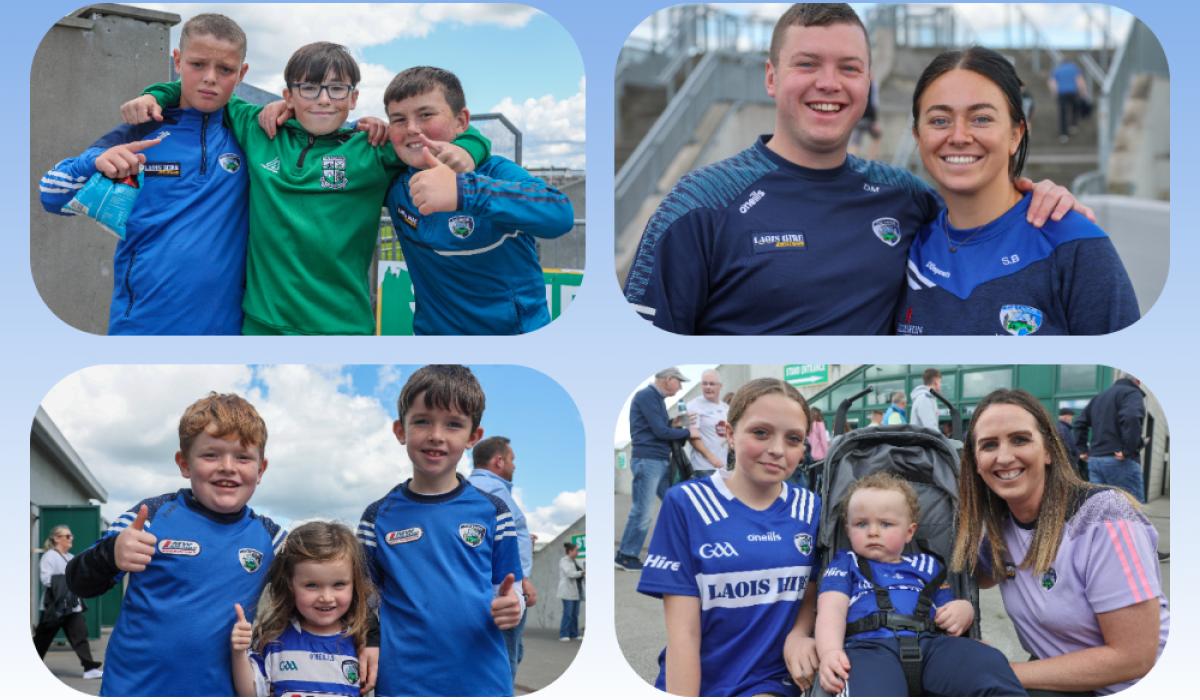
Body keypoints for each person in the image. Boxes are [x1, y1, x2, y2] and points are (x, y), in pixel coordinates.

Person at [622, 3, 1089, 335]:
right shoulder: (700, 203)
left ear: (868, 82)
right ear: (771, 77)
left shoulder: (906, 196)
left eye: (849, 68)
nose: (829, 83)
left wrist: (1039, 196)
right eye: (807, 64)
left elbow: (981, 220)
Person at [123, 44, 490, 335]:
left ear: (353, 98)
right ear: (289, 94)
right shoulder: (258, 128)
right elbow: (208, 90)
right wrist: (155, 95)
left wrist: (465, 152)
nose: (323, 99)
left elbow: (454, 133)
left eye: (336, 89)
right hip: (261, 326)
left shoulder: (374, 147)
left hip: (341, 329)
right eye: (309, 88)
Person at [898, 47, 1139, 335]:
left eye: (981, 118)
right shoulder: (905, 245)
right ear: (918, 136)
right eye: (939, 120)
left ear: (1016, 134)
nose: (959, 136)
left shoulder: (1074, 244)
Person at [37, 14, 251, 334]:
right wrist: (93, 162)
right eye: (197, 64)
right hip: (142, 327)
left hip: (227, 332)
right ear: (177, 61)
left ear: (242, 73)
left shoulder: (251, 135)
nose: (210, 78)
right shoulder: (141, 130)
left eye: (225, 70)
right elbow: (50, 197)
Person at [65, 393, 284, 696]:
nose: (227, 467)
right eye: (211, 455)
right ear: (184, 463)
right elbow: (77, 581)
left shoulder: (271, 537)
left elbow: (326, 581)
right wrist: (111, 554)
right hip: (134, 690)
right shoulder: (150, 517)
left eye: (243, 457)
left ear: (260, 470)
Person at [951, 389, 1168, 694]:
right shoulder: (1002, 529)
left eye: (1020, 439)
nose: (1004, 456)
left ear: (1049, 451)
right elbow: (973, 575)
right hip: (1059, 675)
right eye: (988, 445)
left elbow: (1134, 657)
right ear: (976, 462)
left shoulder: (1105, 518)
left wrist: (1003, 670)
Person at [637, 378, 821, 696]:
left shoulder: (810, 507)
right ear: (730, 433)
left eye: (793, 439)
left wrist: (800, 633)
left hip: (771, 682)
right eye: (760, 432)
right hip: (700, 680)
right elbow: (684, 635)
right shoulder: (687, 504)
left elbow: (812, 591)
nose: (777, 450)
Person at [357, 365, 523, 696]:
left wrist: (513, 605)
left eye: (453, 424)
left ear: (473, 438)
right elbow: (363, 602)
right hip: (403, 682)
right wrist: (367, 642)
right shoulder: (375, 518)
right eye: (422, 421)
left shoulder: (494, 512)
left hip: (482, 680)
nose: (436, 435)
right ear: (400, 430)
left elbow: (509, 587)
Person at [382, 66, 576, 334]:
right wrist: (363, 125)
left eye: (425, 115)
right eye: (398, 119)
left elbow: (560, 213)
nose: (412, 128)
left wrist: (465, 190)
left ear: (462, 121)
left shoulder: (495, 171)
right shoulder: (394, 183)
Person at [815, 472, 1025, 696]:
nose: (873, 532)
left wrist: (965, 610)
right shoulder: (846, 562)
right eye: (861, 524)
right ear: (848, 530)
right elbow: (831, 610)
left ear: (909, 532)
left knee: (988, 662)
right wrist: (829, 651)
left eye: (886, 524)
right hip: (869, 647)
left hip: (931, 645)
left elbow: (948, 607)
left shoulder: (928, 565)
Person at [231, 521, 372, 697]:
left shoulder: (363, 644)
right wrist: (238, 653)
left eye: (339, 584)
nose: (326, 597)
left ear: (354, 584)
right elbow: (250, 694)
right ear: (290, 585)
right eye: (312, 585)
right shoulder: (273, 641)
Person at [469, 436, 538, 682]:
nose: (514, 466)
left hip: (495, 585)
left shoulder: (474, 489)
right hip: (504, 588)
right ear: (498, 461)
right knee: (505, 660)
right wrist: (523, 579)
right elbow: (503, 542)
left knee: (510, 653)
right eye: (512, 459)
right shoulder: (494, 491)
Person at [616, 368, 697, 571]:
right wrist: (688, 431)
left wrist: (674, 423)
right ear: (669, 379)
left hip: (658, 460)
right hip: (649, 460)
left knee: (675, 502)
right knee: (642, 511)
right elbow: (660, 431)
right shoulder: (647, 396)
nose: (680, 387)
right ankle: (626, 555)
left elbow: (658, 427)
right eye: (680, 382)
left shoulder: (655, 399)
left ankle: (677, 548)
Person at [33, 525, 103, 679]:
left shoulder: (71, 557)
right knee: (42, 639)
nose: (71, 538)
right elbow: (46, 579)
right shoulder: (49, 556)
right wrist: (70, 580)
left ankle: (89, 668)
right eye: (67, 536)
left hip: (71, 604)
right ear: (57, 538)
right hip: (54, 605)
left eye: (71, 536)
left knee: (80, 635)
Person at [1073, 375, 1148, 502]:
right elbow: (1131, 416)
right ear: (1138, 381)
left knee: (1102, 510)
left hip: (1096, 461)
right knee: (1131, 512)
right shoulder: (1132, 393)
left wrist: (1082, 450)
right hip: (1119, 461)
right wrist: (1128, 450)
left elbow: (1079, 423)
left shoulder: (1098, 398)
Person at [686, 369, 729, 477]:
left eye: (712, 384)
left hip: (723, 467)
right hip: (704, 468)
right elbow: (693, 437)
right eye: (705, 384)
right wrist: (712, 459)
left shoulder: (725, 408)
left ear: (720, 386)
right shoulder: (694, 406)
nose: (708, 387)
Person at [1049, 58, 1088, 143]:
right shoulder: (1074, 68)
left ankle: (1063, 134)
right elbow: (1080, 81)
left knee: (1062, 114)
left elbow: (1052, 83)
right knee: (1075, 108)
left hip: (1062, 94)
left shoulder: (1056, 70)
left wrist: (1054, 93)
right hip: (1073, 92)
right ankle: (1073, 125)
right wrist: (1083, 92)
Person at [558, 542, 584, 642]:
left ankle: (574, 633)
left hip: (577, 591)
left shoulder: (576, 561)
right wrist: (582, 573)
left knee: (575, 614)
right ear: (570, 551)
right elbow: (570, 574)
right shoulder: (564, 561)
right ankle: (563, 634)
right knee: (567, 613)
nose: (578, 552)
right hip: (567, 592)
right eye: (576, 551)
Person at [1055, 408, 1084, 479]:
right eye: (1071, 418)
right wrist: (1074, 461)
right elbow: (1067, 448)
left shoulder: (1061, 428)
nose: (1071, 420)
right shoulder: (1063, 429)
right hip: (1068, 464)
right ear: (1066, 417)